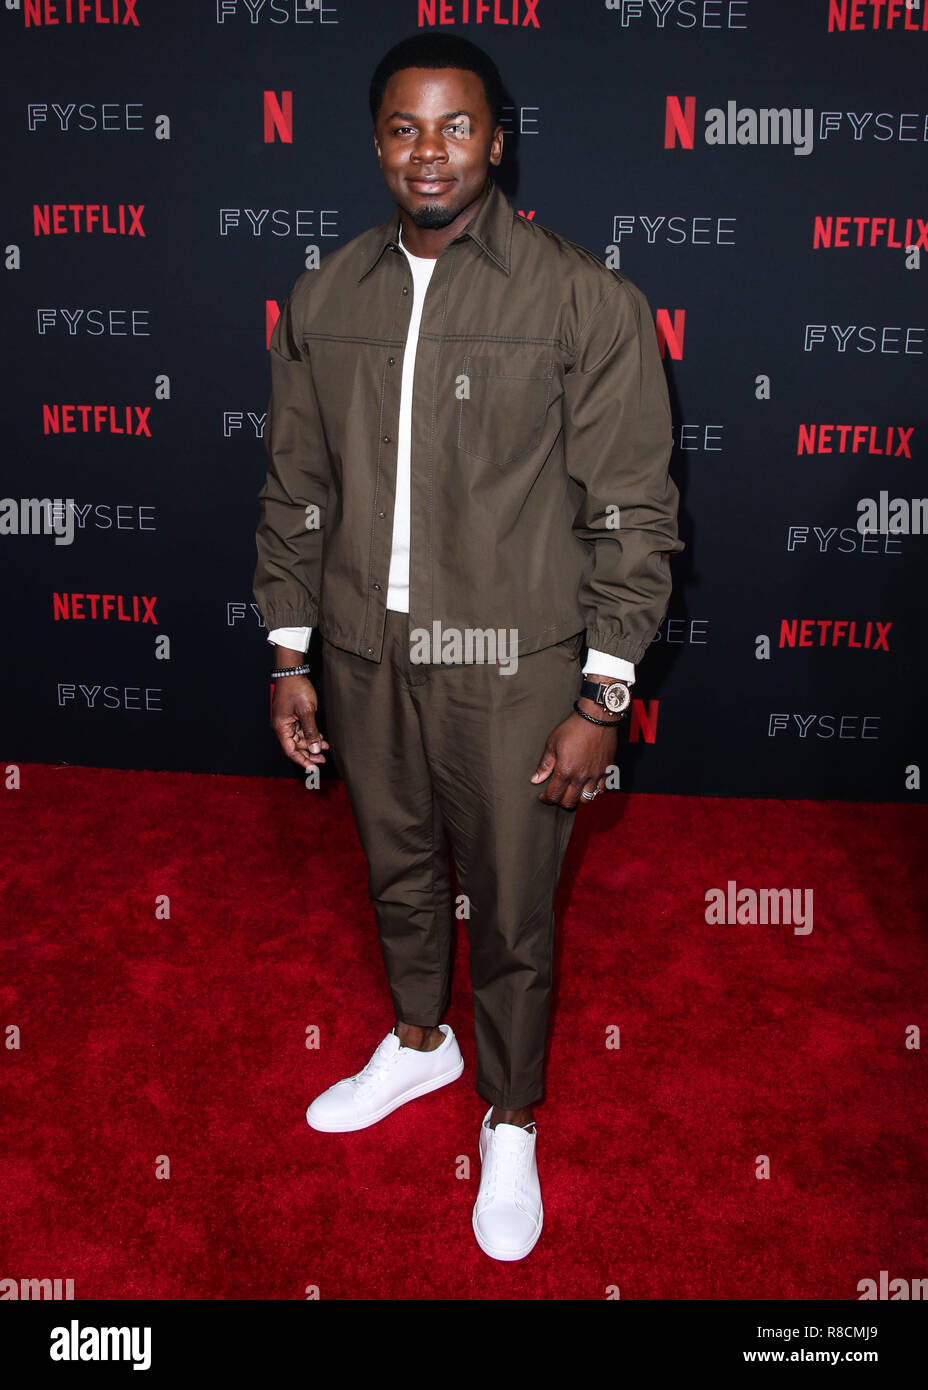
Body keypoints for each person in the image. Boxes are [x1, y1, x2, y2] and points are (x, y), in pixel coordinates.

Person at [252, 32, 683, 1262]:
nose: (427, 151)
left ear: (498, 138)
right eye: (403, 126)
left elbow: (633, 512)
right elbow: (295, 482)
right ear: (375, 142)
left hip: (512, 661)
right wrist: (291, 651)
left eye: (454, 126)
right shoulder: (327, 297)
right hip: (362, 652)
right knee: (394, 869)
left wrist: (603, 690)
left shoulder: (582, 300)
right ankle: (420, 1045)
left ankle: (507, 1114)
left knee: (513, 902)